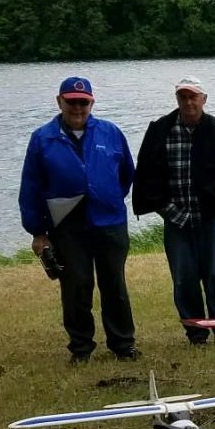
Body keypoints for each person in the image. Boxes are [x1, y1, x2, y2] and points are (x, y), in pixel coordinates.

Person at [19, 76, 139, 363]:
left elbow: (126, 174)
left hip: (109, 222)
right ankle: (81, 348)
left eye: (83, 102)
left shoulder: (110, 132)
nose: (77, 108)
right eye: (71, 102)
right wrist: (38, 232)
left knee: (115, 286)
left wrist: (104, 196)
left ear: (92, 103)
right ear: (59, 102)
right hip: (68, 226)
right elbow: (31, 187)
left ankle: (123, 345)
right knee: (76, 287)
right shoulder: (42, 138)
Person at [134, 76, 215, 345]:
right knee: (183, 278)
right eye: (183, 97)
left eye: (193, 97)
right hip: (175, 218)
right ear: (177, 99)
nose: (188, 102)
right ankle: (195, 332)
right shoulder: (159, 130)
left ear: (204, 99)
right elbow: (145, 172)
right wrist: (161, 207)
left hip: (211, 217)